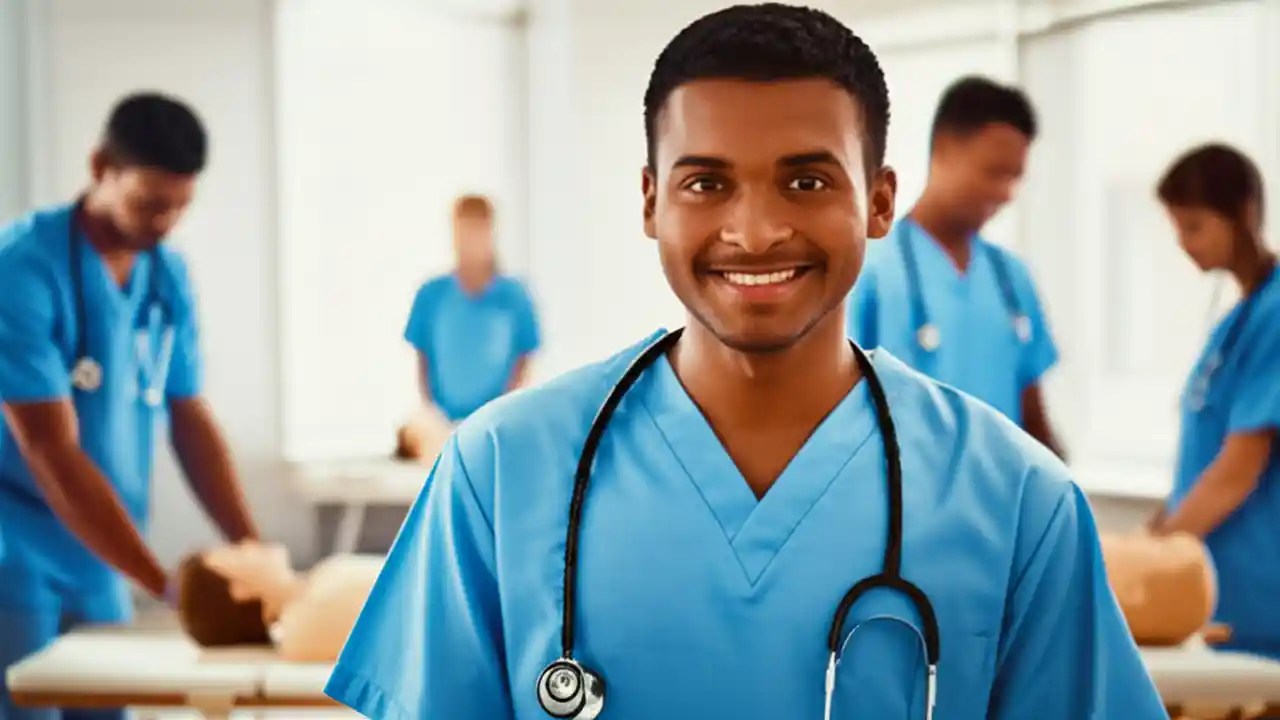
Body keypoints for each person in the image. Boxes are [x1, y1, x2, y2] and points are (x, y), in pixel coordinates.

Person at [326, 5, 1165, 718]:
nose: (755, 231)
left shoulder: (1020, 501)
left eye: (805, 183)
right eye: (705, 184)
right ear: (651, 202)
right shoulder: (500, 471)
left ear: (877, 202)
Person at [0, 92, 259, 719]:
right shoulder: (21, 270)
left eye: (180, 206)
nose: (165, 222)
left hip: (100, 554)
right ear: (99, 167)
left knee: (108, 711)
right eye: (149, 203)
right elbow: (51, 451)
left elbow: (188, 416)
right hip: (15, 551)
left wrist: (252, 550)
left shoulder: (165, 277)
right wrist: (167, 584)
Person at [846, 76, 1065, 457]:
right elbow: (838, 411)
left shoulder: (1011, 276)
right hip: (902, 502)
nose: (1006, 193)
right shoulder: (871, 269)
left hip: (1002, 498)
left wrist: (1064, 487)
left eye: (1015, 178)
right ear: (944, 149)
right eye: (994, 172)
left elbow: (1032, 409)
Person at [1151, 143, 1280, 661]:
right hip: (1217, 589)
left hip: (1259, 594)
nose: (1184, 244)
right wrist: (1160, 526)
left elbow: (1238, 469)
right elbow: (1203, 456)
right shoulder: (1239, 319)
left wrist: (1156, 552)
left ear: (1244, 213)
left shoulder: (1274, 315)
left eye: (1194, 227)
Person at [402, 194, 541, 423]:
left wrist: (502, 413)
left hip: (497, 420)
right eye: (462, 231)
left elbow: (525, 358)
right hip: (442, 421)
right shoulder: (431, 294)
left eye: (475, 231)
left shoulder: (515, 296)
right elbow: (422, 356)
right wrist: (433, 414)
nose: (468, 241)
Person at [176, 542, 380, 662]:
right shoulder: (305, 623)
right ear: (240, 591)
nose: (249, 544)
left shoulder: (319, 585)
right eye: (237, 554)